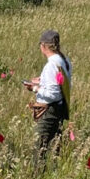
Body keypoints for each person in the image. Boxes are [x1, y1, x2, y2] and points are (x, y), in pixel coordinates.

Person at [24, 29, 71, 160]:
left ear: (43, 46)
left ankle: (38, 177)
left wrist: (34, 88)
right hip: (60, 109)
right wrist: (42, 81)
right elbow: (60, 84)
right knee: (54, 150)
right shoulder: (64, 60)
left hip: (49, 111)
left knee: (40, 150)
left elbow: (53, 94)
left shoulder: (51, 64)